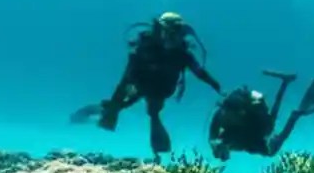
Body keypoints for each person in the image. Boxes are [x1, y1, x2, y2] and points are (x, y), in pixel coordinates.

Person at [71, 12, 222, 158]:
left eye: (177, 33)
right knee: (122, 107)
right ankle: (101, 114)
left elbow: (199, 72)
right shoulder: (146, 50)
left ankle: (158, 151)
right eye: (170, 32)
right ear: (161, 31)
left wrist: (216, 85)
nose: (173, 38)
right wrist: (116, 103)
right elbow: (127, 79)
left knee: (152, 113)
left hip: (160, 90)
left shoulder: (182, 54)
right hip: (140, 85)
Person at [208, 71, 314, 161]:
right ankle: (286, 86)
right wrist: (221, 147)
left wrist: (221, 146)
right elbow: (215, 138)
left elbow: (265, 119)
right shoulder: (222, 123)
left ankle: (290, 102)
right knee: (270, 130)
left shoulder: (227, 118)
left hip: (253, 127)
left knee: (269, 130)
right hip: (250, 131)